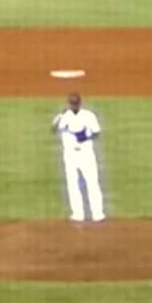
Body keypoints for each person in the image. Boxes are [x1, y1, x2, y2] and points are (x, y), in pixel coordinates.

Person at [50, 92, 105, 222]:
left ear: (80, 103)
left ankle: (98, 213)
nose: (74, 106)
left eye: (76, 103)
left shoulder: (89, 116)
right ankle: (77, 213)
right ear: (69, 104)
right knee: (72, 183)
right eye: (72, 103)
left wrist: (86, 137)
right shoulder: (64, 116)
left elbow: (97, 133)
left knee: (92, 182)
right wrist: (58, 117)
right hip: (70, 155)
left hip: (86, 153)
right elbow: (53, 129)